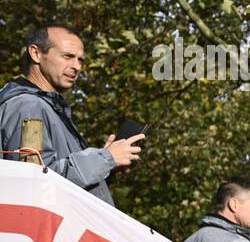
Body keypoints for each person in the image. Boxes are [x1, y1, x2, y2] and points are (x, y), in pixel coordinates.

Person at [0, 23, 143, 205]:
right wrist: (105, 158)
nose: (76, 66)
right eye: (67, 56)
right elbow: (36, 181)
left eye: (80, 60)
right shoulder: (28, 107)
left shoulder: (50, 108)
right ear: (36, 53)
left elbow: (66, 185)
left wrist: (108, 167)